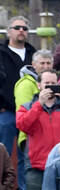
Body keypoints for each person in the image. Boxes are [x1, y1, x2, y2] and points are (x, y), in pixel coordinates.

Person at [1, 16, 36, 169]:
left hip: (29, 113)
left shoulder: (33, 54)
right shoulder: (1, 53)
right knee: (3, 155)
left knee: (26, 156)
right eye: (17, 28)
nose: (21, 30)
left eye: (25, 28)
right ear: (9, 32)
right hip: (6, 112)